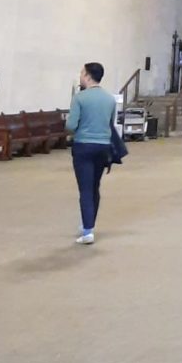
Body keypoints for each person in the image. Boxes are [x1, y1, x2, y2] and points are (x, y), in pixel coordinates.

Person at [66, 62, 117, 245]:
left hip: (84, 146)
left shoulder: (80, 98)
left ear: (88, 76)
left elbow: (71, 125)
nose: (80, 76)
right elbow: (110, 123)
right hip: (103, 147)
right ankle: (89, 223)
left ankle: (88, 231)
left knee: (85, 189)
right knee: (95, 186)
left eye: (82, 73)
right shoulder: (109, 99)